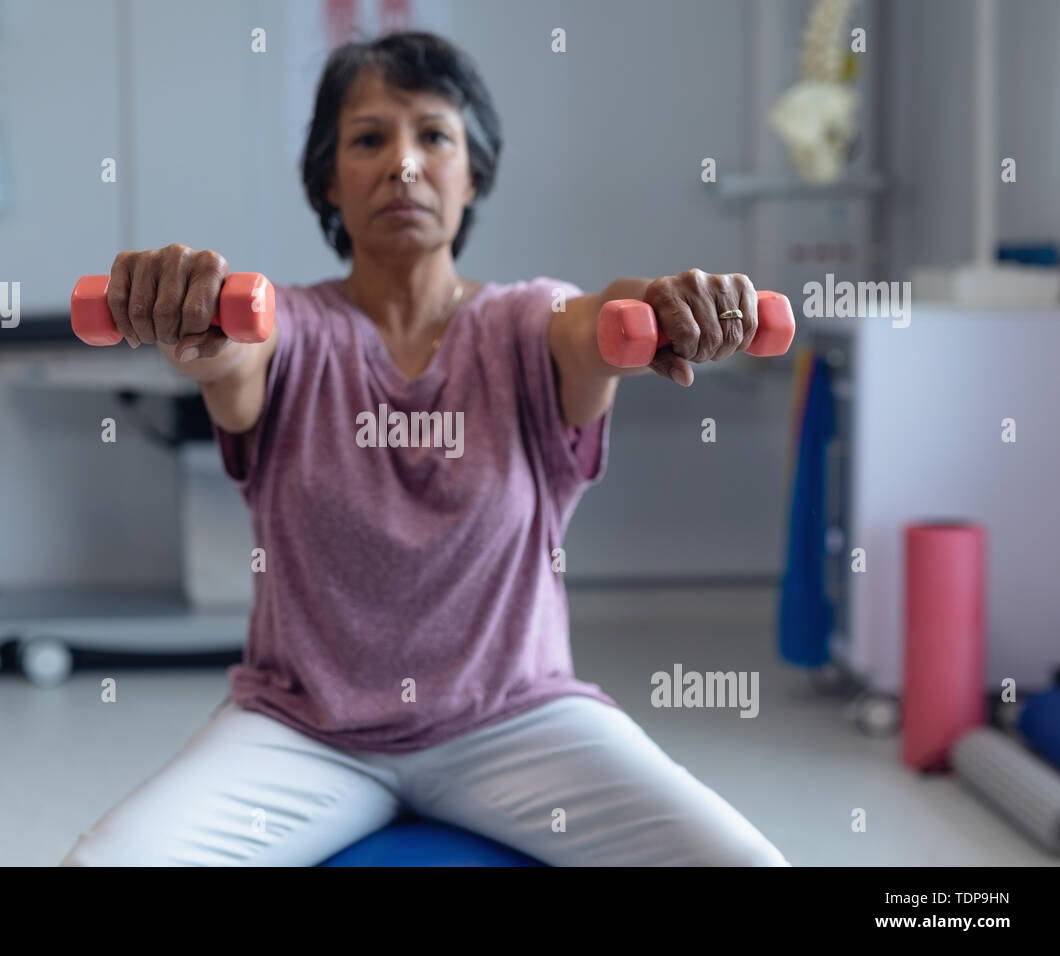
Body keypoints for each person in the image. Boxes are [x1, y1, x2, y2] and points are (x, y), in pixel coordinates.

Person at [61, 31, 789, 866]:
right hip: (304, 730)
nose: (403, 164)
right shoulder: (289, 327)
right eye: (369, 139)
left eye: (433, 136)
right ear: (330, 181)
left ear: (472, 173)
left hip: (515, 719)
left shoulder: (527, 322)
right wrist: (190, 326)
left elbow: (599, 318)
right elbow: (231, 357)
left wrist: (665, 302)